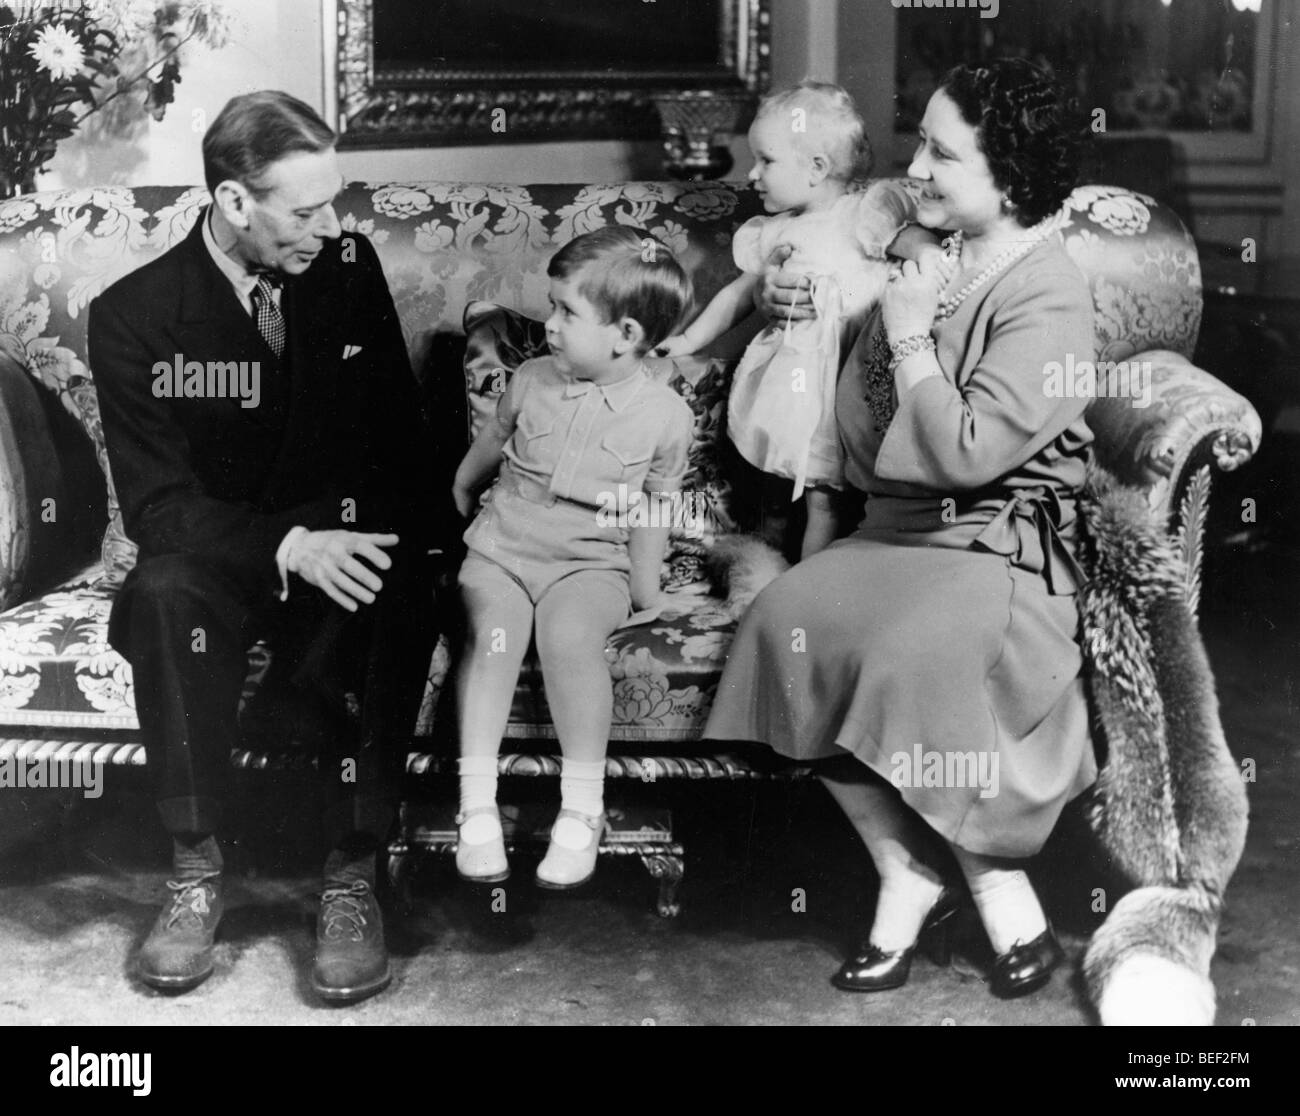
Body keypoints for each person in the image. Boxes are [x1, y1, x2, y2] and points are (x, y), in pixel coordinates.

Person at [704, 59, 1094, 998]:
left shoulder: (1049, 293)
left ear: (1011, 174)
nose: (914, 168)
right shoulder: (926, 248)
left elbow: (966, 453)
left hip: (998, 548)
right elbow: (857, 406)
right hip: (900, 531)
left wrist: (912, 333)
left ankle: (997, 889)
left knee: (907, 648)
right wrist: (795, 306)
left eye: (942, 154)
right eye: (919, 141)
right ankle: (903, 868)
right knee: (788, 622)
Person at [89, 91, 437, 1003]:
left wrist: (372, 540)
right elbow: (159, 508)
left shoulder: (346, 268)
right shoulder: (133, 314)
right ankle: (196, 868)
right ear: (236, 201)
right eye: (307, 209)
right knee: (162, 592)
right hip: (220, 556)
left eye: (336, 202)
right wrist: (290, 545)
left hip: (342, 532)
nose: (333, 228)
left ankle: (351, 873)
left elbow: (399, 437)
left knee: (395, 582)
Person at [450, 227, 694, 890]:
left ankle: (582, 809)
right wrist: (462, 484)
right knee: (494, 638)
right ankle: (476, 805)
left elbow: (654, 508)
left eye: (566, 312)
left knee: (569, 639)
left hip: (589, 562)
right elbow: (494, 439)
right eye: (551, 307)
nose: (549, 325)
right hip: (503, 548)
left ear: (626, 334)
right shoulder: (531, 378)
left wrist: (645, 587)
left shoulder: (666, 415)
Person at [656, 81, 940, 558]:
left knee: (829, 500)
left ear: (816, 168)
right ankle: (775, 570)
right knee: (785, 490)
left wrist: (929, 255)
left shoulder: (865, 212)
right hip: (793, 389)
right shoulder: (776, 231)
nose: (752, 174)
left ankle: (815, 583)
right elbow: (739, 294)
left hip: (848, 379)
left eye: (765, 161)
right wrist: (688, 339)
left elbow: (908, 239)